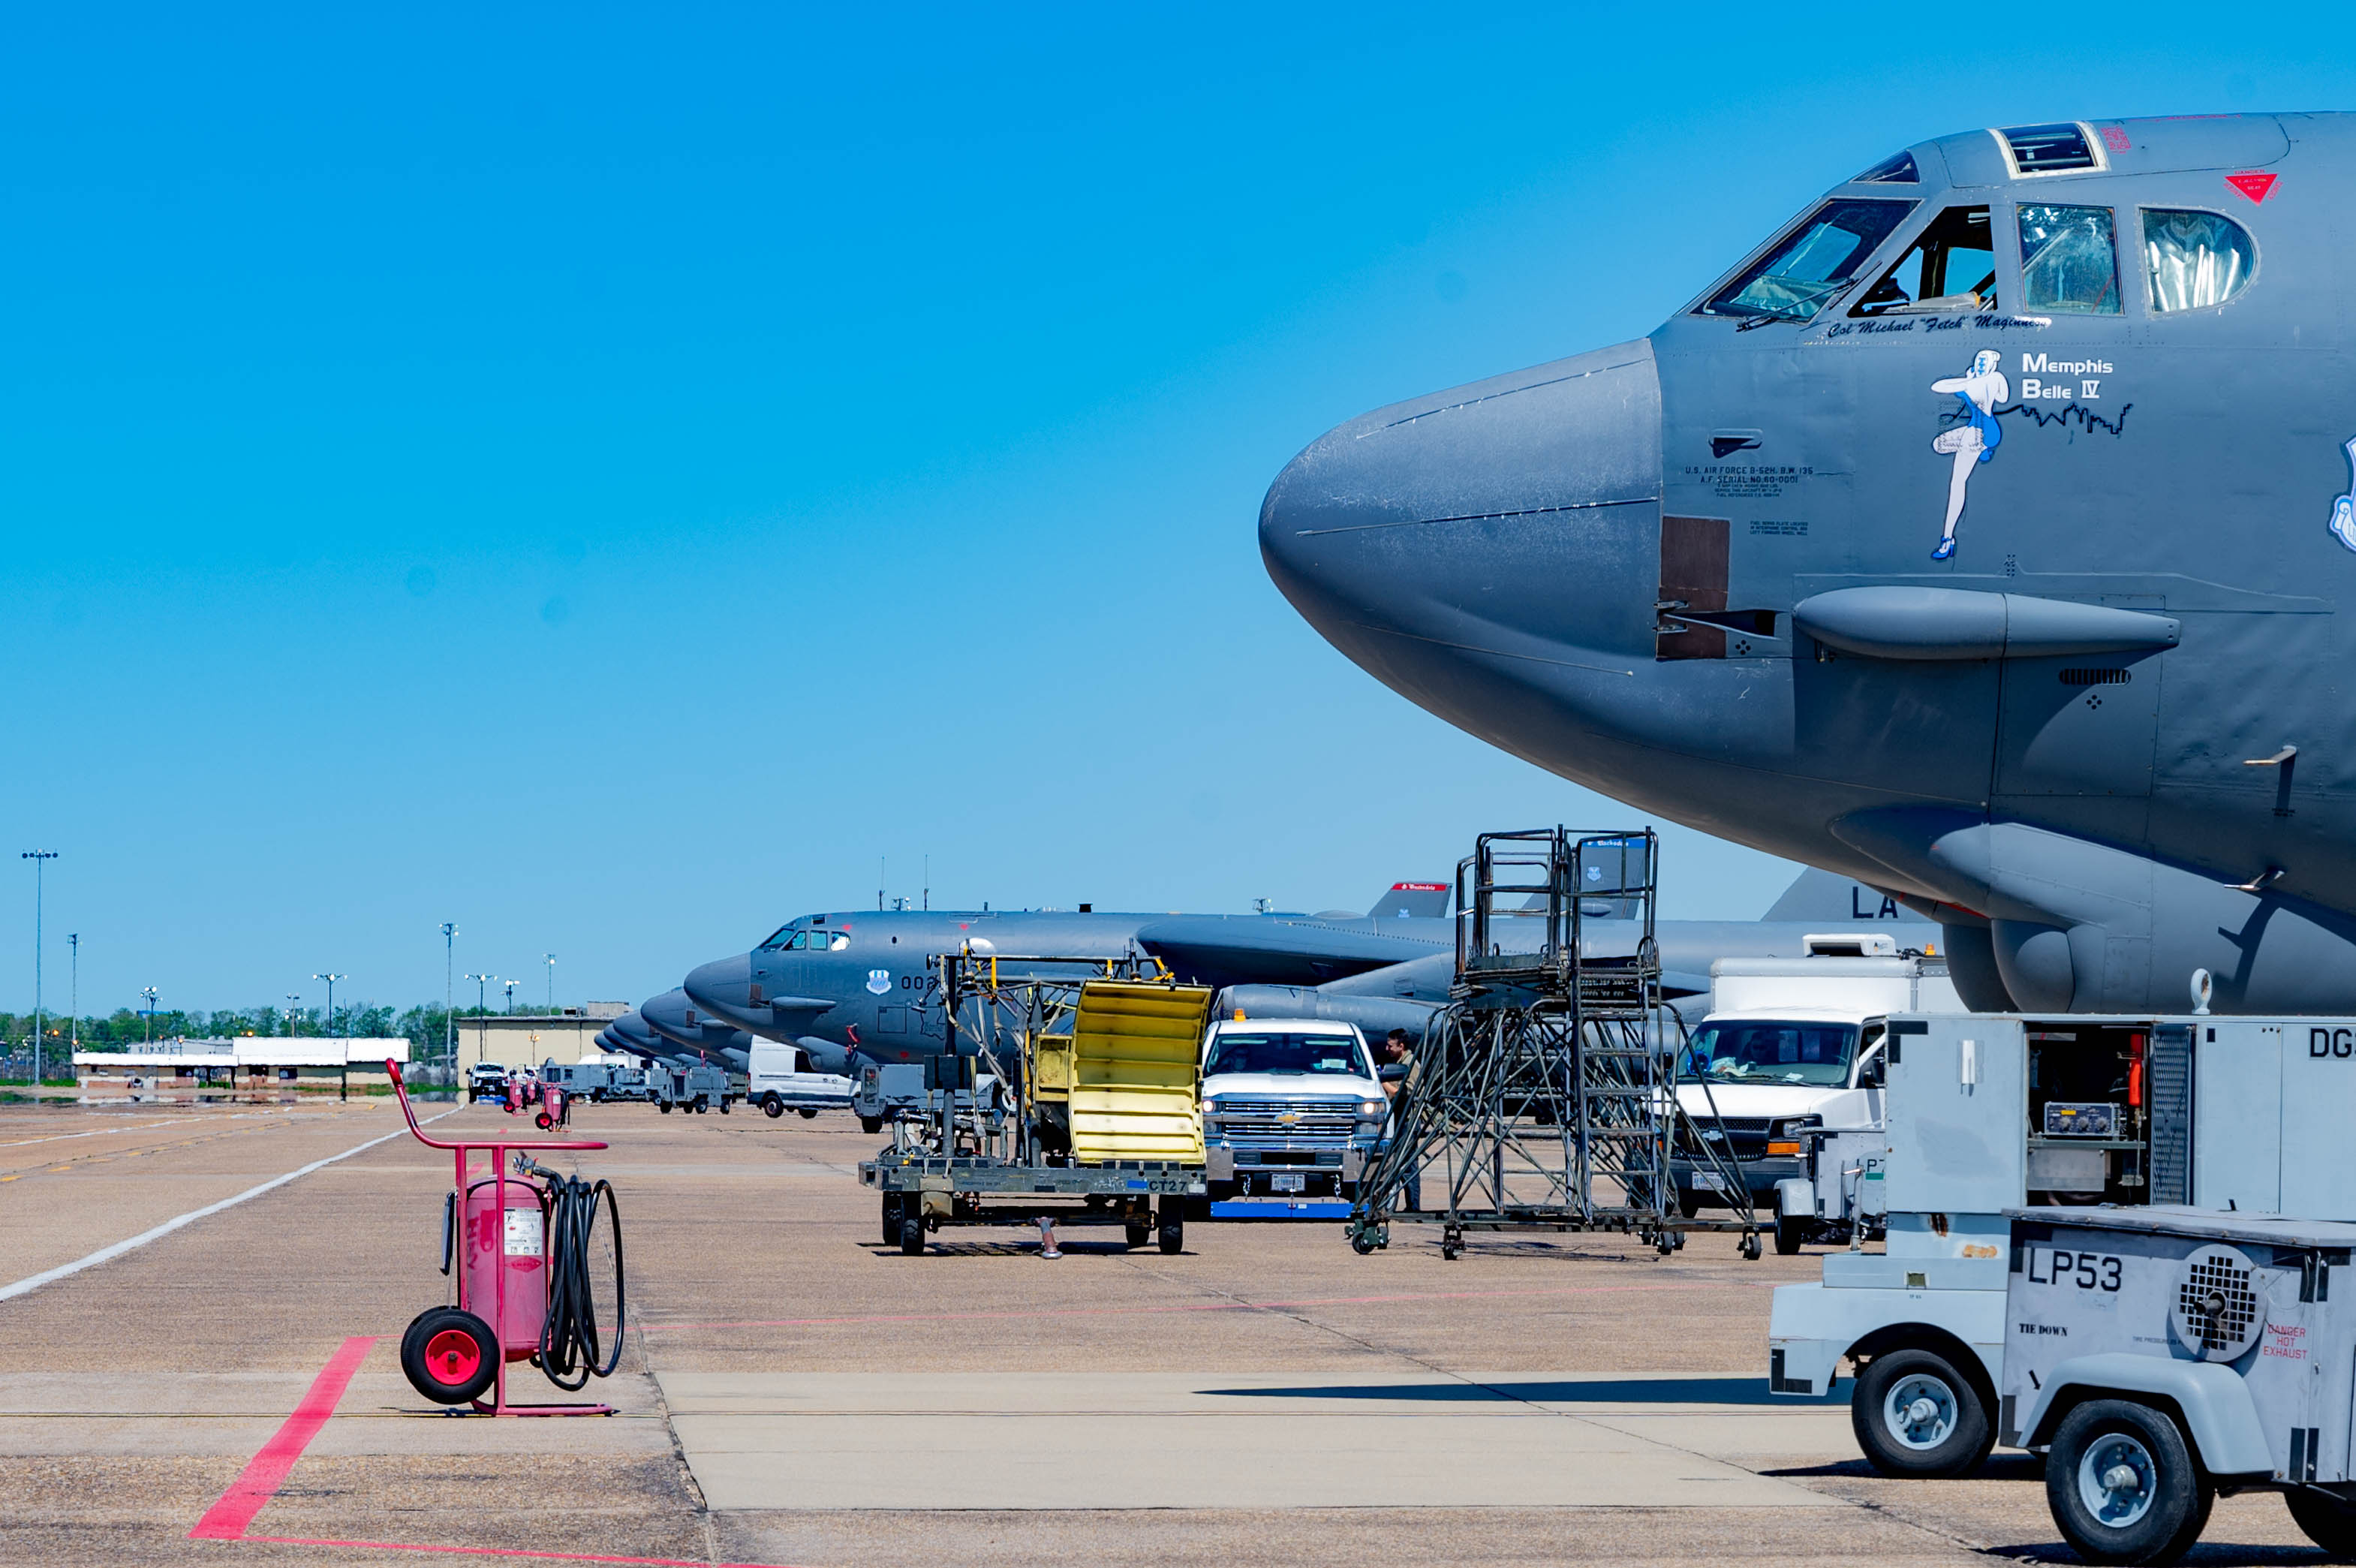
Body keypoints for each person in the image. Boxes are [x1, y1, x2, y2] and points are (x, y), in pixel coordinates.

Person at [1927, 348, 2008, 560]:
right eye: (1978, 360)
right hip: (1982, 428)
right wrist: (1969, 379)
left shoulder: (1982, 381)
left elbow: (1942, 387)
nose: (1981, 363)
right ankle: (1984, 450)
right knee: (1939, 444)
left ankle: (1947, 539)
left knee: (1957, 482)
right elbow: (2004, 397)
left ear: (1992, 364)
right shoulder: (1988, 379)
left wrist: (1968, 380)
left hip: (1980, 431)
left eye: (1985, 360)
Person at [1377, 1030, 1420, 1211]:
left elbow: (1404, 1092)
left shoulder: (1411, 1065)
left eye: (1391, 1045)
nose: (1387, 1049)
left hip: (1408, 1120)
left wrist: (1381, 1081)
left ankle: (1413, 1206)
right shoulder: (1399, 1063)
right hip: (1399, 1119)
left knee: (1408, 1163)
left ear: (1401, 1046)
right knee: (1397, 1161)